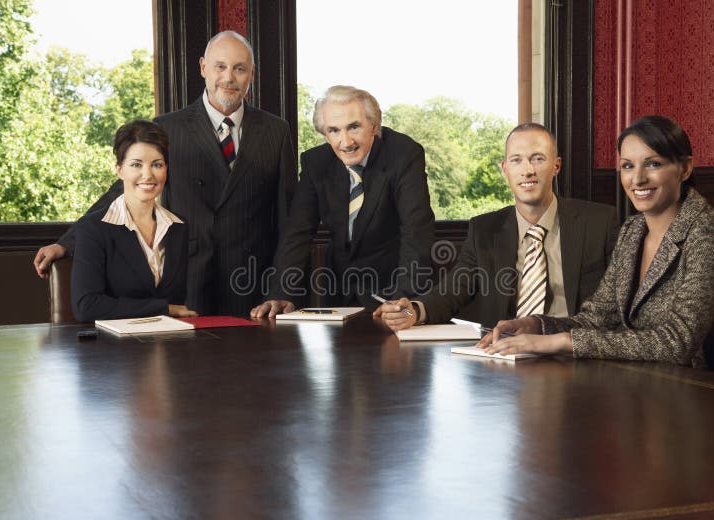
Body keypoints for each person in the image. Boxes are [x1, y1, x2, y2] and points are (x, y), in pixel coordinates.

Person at [34, 31, 296, 316]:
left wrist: (281, 289)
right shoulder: (168, 127)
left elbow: (289, 220)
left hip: (253, 287)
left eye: (239, 68)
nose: (229, 77)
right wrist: (66, 243)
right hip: (188, 282)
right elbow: (125, 188)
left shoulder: (275, 131)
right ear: (203, 68)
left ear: (252, 74)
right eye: (220, 66)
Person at [479, 116, 714, 379]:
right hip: (646, 382)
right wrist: (538, 326)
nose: (637, 179)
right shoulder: (631, 231)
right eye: (627, 165)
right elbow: (598, 317)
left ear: (685, 168)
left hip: (712, 387)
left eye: (653, 164)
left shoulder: (709, 231)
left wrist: (560, 342)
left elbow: (678, 342)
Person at [378, 123, 619, 330]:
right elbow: (452, 291)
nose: (528, 170)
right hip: (506, 355)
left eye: (538, 159)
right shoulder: (484, 230)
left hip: (574, 352)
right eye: (517, 160)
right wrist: (415, 312)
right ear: (505, 169)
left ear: (556, 166)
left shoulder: (600, 224)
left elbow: (616, 307)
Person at [250, 85, 435, 317]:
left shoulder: (404, 155)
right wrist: (281, 293)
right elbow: (297, 232)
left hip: (396, 291)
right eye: (334, 131)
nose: (345, 142)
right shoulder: (315, 163)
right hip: (338, 295)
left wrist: (403, 299)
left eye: (354, 127)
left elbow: (416, 231)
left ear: (374, 125)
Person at [71, 120, 197, 321]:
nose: (147, 175)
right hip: (113, 348)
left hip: (170, 343)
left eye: (157, 164)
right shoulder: (93, 228)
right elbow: (86, 306)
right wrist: (164, 308)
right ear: (120, 170)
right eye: (136, 164)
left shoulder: (179, 227)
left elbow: (177, 298)